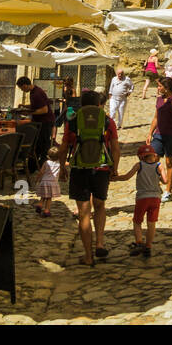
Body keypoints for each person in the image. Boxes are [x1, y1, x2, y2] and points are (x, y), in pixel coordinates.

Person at [58, 88, 120, 266]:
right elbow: (115, 148)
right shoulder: (108, 122)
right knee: (100, 206)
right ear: (99, 103)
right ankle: (100, 242)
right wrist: (114, 168)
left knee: (84, 213)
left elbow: (63, 148)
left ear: (81, 104)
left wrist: (62, 168)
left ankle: (88, 256)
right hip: (101, 168)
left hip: (79, 168)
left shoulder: (73, 121)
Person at [117, 141, 166, 259]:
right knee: (151, 223)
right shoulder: (159, 166)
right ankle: (148, 247)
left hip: (142, 198)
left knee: (137, 222)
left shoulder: (139, 165)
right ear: (154, 155)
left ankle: (139, 242)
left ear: (141, 156)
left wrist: (114, 178)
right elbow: (165, 181)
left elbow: (126, 177)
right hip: (155, 198)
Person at [146, 76, 172, 202]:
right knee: (152, 158)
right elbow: (156, 117)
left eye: (160, 86)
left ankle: (168, 191)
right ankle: (159, 183)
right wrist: (150, 133)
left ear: (167, 88)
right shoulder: (159, 100)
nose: (158, 88)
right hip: (159, 135)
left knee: (169, 162)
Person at [16, 76, 55, 165]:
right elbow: (36, 106)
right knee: (37, 144)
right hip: (40, 121)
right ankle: (34, 165)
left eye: (21, 88)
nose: (22, 90)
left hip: (45, 121)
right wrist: (25, 106)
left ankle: (42, 164)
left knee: (43, 144)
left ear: (25, 85)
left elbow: (44, 110)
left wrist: (29, 113)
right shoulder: (33, 92)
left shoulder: (37, 93)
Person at [34, 144, 62, 217]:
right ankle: (46, 210)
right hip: (52, 183)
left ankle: (40, 205)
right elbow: (62, 171)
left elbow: (41, 172)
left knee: (43, 196)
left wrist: (37, 179)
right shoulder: (59, 164)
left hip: (44, 181)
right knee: (49, 198)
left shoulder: (46, 163)